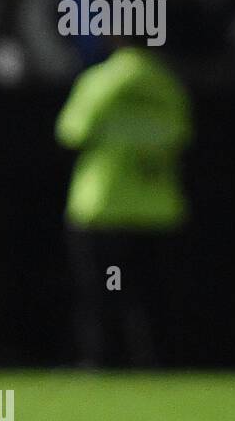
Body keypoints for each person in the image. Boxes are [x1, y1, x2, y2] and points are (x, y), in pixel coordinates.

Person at [55, 36, 192, 368]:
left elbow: (72, 133)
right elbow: (181, 136)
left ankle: (99, 361)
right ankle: (155, 364)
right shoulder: (167, 83)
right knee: (151, 296)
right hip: (156, 210)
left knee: (98, 295)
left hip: (102, 205)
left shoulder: (100, 80)